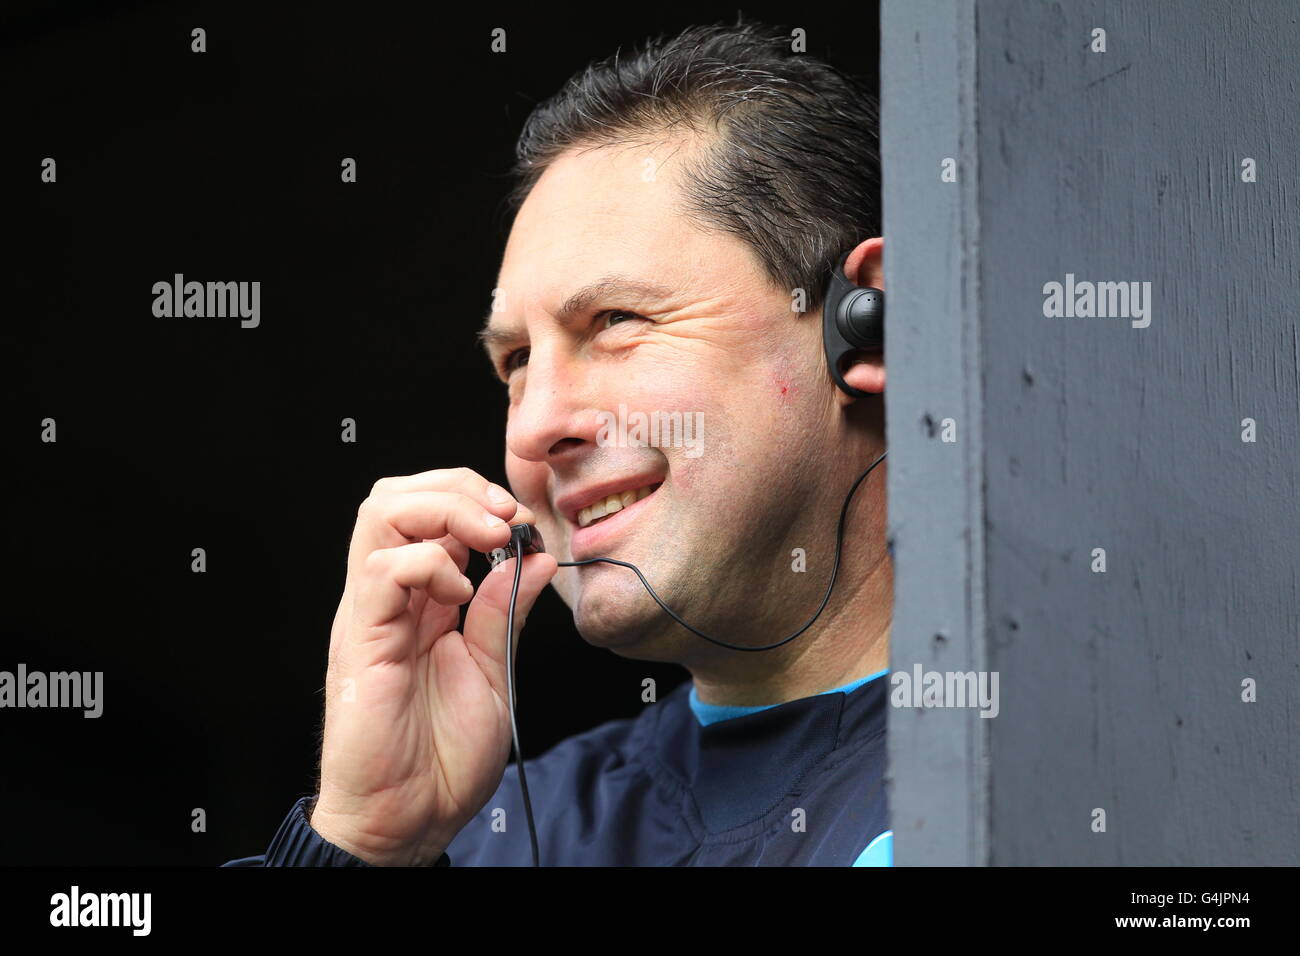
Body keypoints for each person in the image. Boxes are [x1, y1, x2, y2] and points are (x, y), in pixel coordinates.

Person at [223, 18, 892, 868]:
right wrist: (363, 843)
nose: (536, 427)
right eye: (514, 363)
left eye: (615, 321)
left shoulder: (1083, 738)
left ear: (865, 327)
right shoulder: (494, 842)